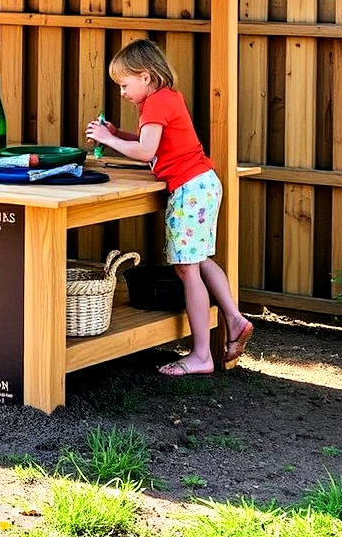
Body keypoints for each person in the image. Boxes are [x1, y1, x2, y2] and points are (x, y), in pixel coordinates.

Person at [86, 38, 253, 377]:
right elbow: (151, 141)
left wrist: (107, 140)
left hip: (189, 190)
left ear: (145, 76)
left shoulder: (156, 103)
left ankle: (202, 356)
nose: (122, 92)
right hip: (203, 184)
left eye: (124, 84)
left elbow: (146, 152)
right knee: (199, 259)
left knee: (187, 270)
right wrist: (119, 134)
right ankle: (235, 320)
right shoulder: (166, 98)